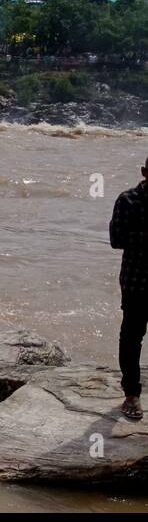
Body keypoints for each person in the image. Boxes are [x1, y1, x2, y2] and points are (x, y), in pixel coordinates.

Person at [110, 159, 147, 420]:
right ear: (145, 173)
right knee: (132, 339)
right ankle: (131, 394)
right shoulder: (129, 200)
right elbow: (117, 239)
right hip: (137, 281)